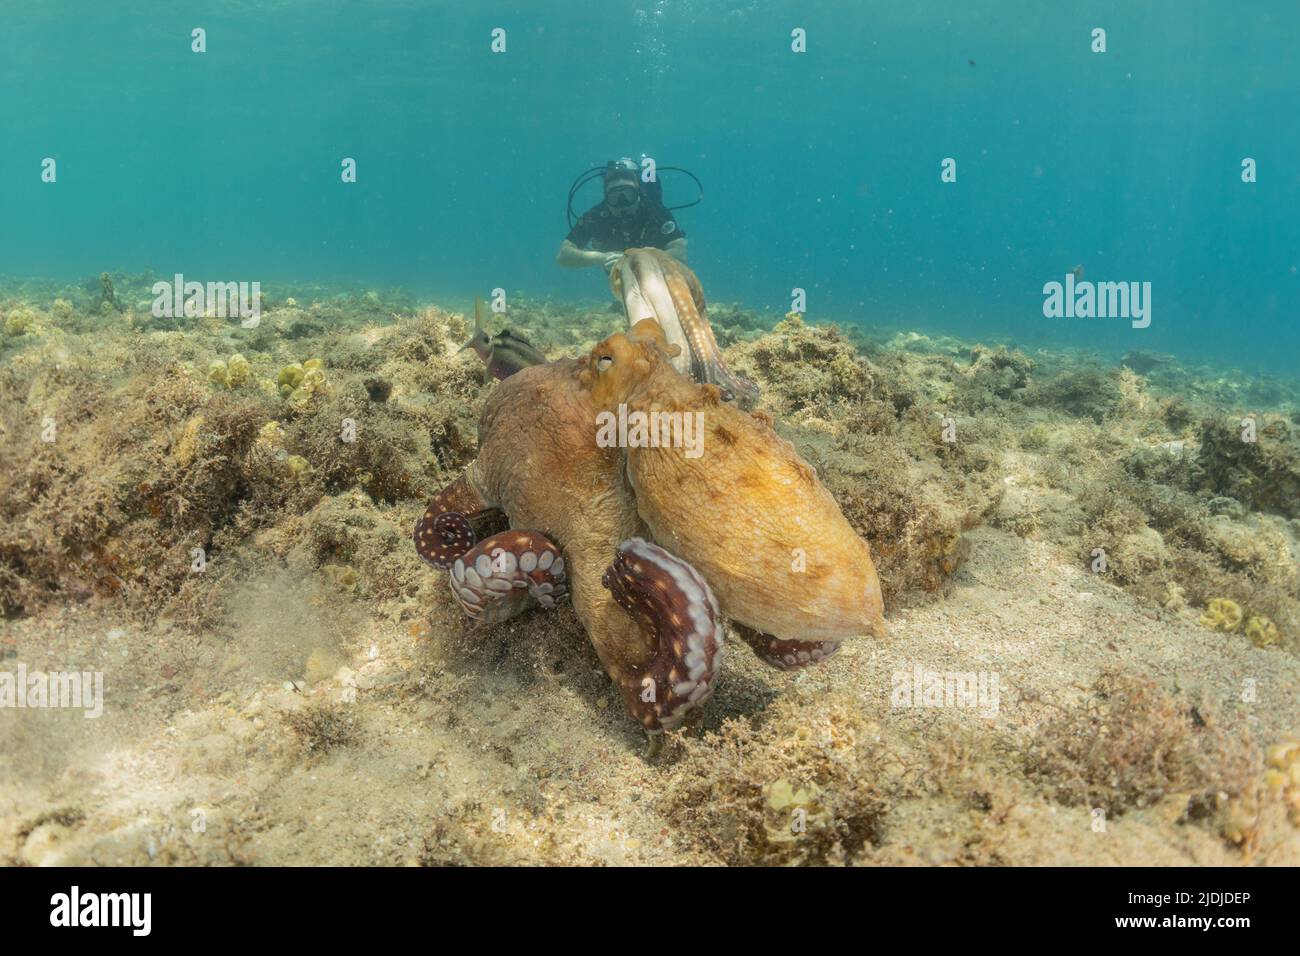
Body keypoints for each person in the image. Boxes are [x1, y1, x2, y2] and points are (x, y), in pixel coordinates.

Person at [556, 158, 688, 273]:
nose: (622, 202)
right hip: (616, 274)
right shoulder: (596, 217)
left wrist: (642, 261)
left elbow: (680, 252)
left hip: (657, 270)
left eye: (628, 195)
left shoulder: (654, 211)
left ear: (638, 194)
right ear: (606, 198)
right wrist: (600, 258)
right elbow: (563, 255)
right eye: (615, 197)